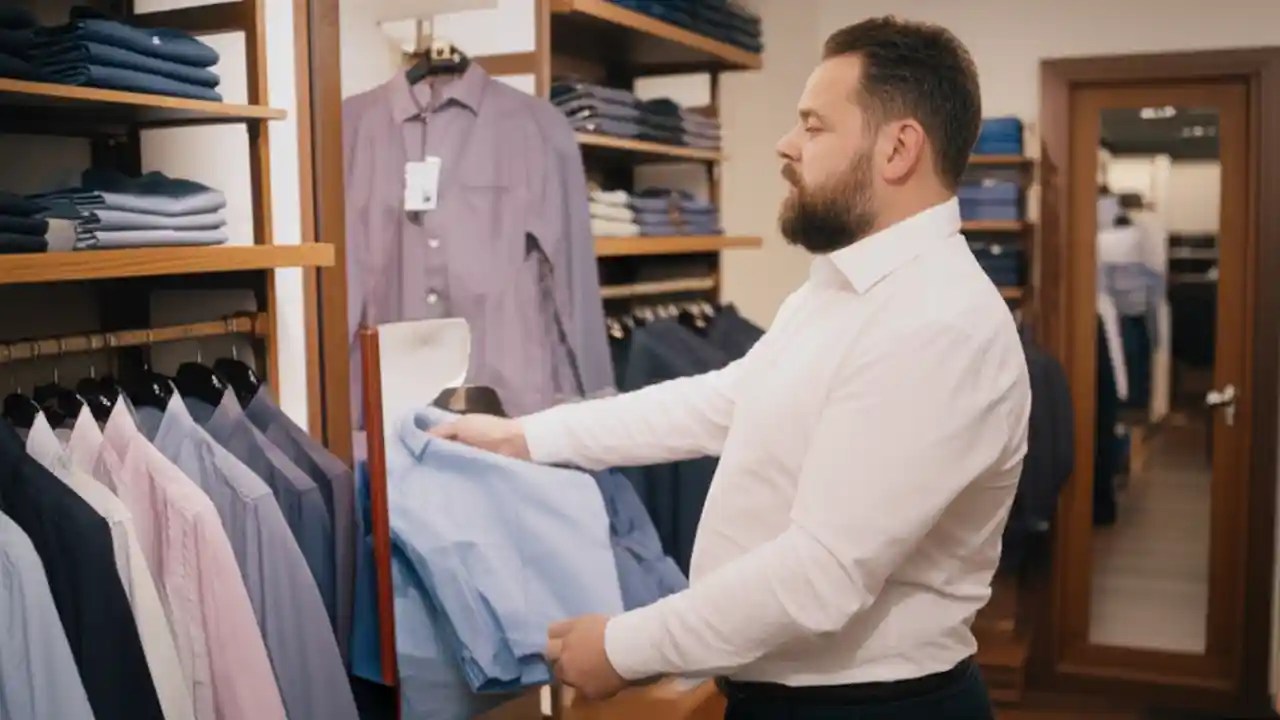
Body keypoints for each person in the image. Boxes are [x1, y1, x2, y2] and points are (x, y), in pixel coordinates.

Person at [432, 16, 1031, 720]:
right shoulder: (842, 290)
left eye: (813, 126)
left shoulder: (936, 323)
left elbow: (820, 575)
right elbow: (721, 401)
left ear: (898, 148)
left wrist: (624, 648)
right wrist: (524, 437)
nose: (786, 144)